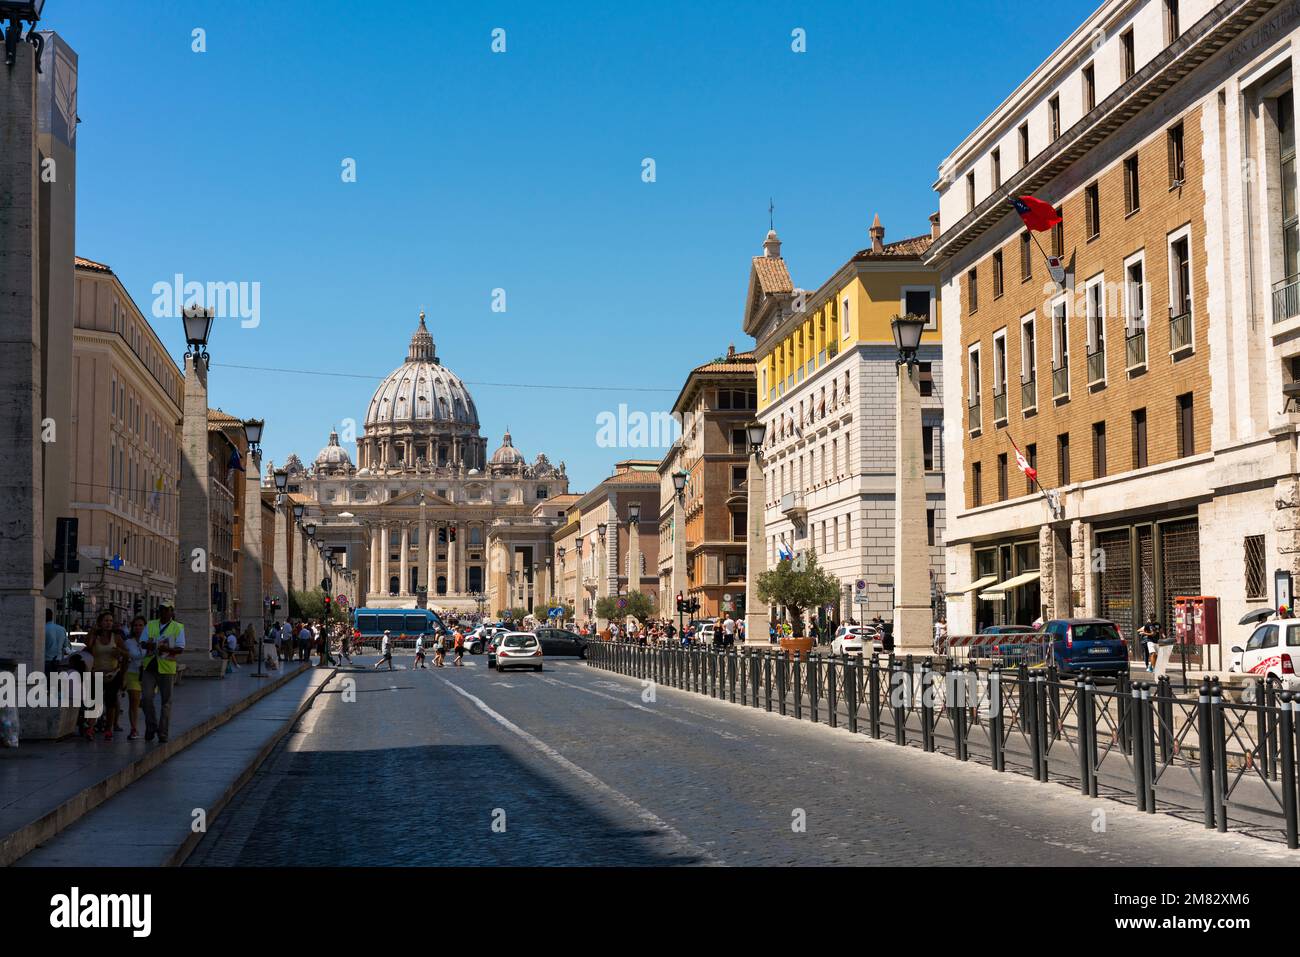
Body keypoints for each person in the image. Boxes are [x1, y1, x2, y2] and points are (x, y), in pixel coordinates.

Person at [141, 599, 185, 743]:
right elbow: (142, 642)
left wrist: (167, 649)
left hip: (167, 668)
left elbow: (180, 648)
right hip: (150, 666)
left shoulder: (178, 627)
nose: (164, 612)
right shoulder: (151, 624)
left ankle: (163, 732)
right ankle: (151, 726)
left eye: (167, 609)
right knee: (146, 698)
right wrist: (151, 644)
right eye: (161, 609)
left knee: (166, 702)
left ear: (172, 611)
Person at [87, 611, 128, 741]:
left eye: (110, 620)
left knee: (110, 703)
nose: (108, 623)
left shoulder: (116, 638)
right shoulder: (95, 637)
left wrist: (120, 652)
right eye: (105, 620)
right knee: (95, 702)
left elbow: (127, 654)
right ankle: (90, 728)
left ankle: (109, 729)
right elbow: (87, 646)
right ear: (100, 622)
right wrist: (92, 632)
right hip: (96, 673)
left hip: (113, 673)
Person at [122, 615, 146, 739]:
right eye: (136, 625)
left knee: (147, 702)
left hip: (147, 675)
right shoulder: (128, 642)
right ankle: (134, 728)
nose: (138, 628)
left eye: (141, 625)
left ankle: (149, 726)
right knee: (134, 701)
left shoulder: (150, 641)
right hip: (133, 673)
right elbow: (125, 660)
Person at [44, 608, 69, 674]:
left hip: (46, 661)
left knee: (46, 683)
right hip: (59, 662)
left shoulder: (43, 629)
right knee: (55, 683)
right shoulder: (62, 629)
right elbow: (67, 646)